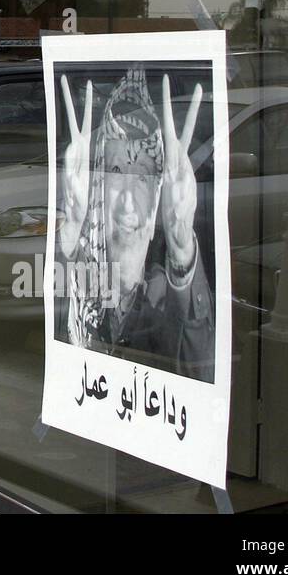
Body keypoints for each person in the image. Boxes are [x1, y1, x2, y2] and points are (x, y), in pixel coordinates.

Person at [56, 65, 215, 382]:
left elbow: (198, 371)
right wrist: (71, 229)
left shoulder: (165, 296)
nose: (128, 202)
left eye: (143, 176)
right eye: (115, 171)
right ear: (97, 186)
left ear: (159, 192)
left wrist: (182, 247)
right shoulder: (76, 286)